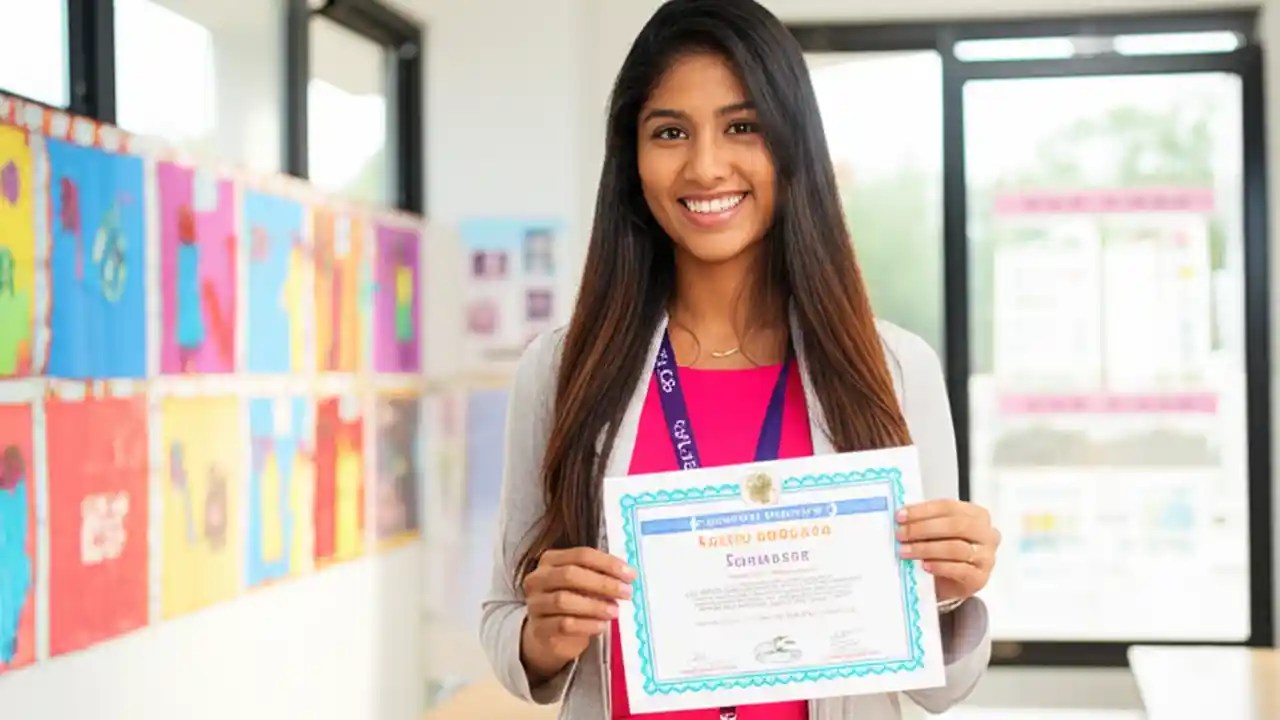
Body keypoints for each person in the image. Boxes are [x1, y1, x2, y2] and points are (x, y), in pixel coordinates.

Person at [479, 1, 1001, 718]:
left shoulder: (893, 367)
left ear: (793, 146)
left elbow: (945, 686)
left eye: (742, 127)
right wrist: (544, 634)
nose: (705, 165)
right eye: (669, 132)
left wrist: (948, 590)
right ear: (632, 159)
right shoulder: (562, 367)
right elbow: (506, 620)